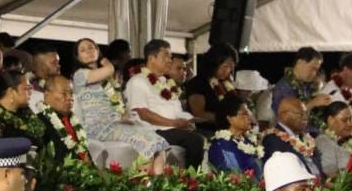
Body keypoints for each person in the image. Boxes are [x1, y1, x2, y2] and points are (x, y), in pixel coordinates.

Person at [70, 38, 168, 172]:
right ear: (78, 57)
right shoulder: (80, 75)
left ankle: (156, 184)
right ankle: (147, 184)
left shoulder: (107, 80)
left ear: (97, 50)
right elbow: (109, 69)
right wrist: (106, 62)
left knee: (160, 145)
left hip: (114, 124)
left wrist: (122, 117)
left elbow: (115, 104)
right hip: (98, 127)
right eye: (83, 50)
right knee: (150, 141)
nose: (88, 51)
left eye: (91, 47)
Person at [125, 39, 204, 168]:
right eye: (166, 56)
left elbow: (177, 111)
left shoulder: (166, 83)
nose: (169, 60)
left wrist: (188, 121)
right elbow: (143, 113)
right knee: (196, 141)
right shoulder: (138, 81)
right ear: (152, 58)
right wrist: (173, 123)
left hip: (171, 129)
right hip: (151, 131)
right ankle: (191, 181)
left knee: (199, 135)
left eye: (170, 56)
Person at [34, 75, 90, 168]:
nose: (69, 98)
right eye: (64, 93)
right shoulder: (40, 123)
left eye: (71, 93)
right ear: (47, 94)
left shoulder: (74, 122)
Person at [264, 96, 321, 178]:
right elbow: (283, 174)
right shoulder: (273, 139)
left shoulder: (305, 137)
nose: (305, 117)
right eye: (300, 114)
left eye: (306, 113)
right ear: (284, 115)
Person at [209, 93, 264, 176]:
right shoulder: (222, 145)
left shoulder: (246, 139)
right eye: (244, 114)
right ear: (230, 119)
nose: (249, 117)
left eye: (248, 113)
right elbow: (235, 178)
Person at [185, 46, 238, 129]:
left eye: (231, 67)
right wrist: (228, 119)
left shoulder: (226, 84)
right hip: (206, 132)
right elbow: (199, 114)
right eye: (225, 66)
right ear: (213, 63)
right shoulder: (197, 83)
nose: (228, 71)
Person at [271, 47, 332, 119]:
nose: (314, 73)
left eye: (317, 70)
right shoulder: (284, 86)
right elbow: (289, 117)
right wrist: (314, 102)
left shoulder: (306, 85)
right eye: (313, 68)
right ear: (299, 62)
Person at [316, 101, 352, 177]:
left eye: (350, 119)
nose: (350, 124)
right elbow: (330, 176)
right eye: (344, 120)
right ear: (331, 120)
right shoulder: (323, 141)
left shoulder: (346, 140)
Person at [24, 47, 62, 115]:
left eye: (58, 62)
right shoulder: (26, 91)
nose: (59, 66)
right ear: (40, 65)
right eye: (54, 63)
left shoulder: (63, 87)